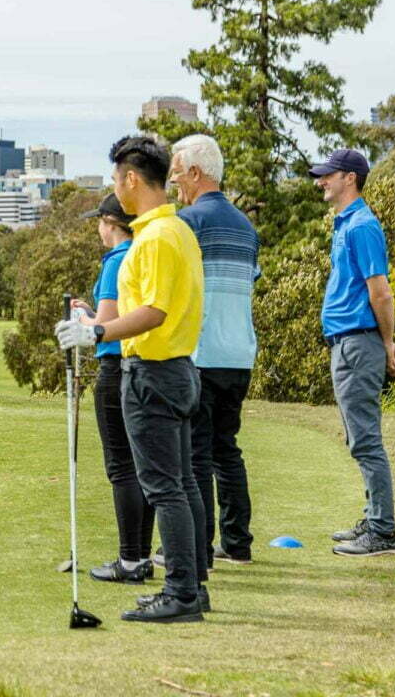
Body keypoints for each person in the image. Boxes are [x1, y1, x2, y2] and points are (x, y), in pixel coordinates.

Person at [55, 135, 208, 623]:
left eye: (116, 178)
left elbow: (154, 311)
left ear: (132, 179)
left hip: (155, 372)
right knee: (179, 484)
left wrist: (94, 331)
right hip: (176, 369)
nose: (114, 188)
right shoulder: (171, 230)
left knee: (165, 487)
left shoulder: (160, 238)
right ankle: (191, 588)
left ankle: (182, 594)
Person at [310, 149, 395, 556]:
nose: (321, 181)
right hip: (350, 341)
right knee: (358, 436)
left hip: (358, 341)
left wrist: (387, 344)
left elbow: (380, 291)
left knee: (365, 440)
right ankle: (374, 517)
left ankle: (383, 531)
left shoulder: (362, 226)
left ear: (349, 178)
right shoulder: (346, 224)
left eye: (327, 175)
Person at [170, 134, 260, 567]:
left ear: (195, 172)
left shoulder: (188, 222)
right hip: (239, 354)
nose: (173, 182)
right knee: (227, 448)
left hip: (202, 354)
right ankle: (238, 544)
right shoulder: (246, 227)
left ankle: (198, 548)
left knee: (197, 456)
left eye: (176, 172)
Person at [70, 193, 157, 584]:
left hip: (114, 366)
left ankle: (130, 560)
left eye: (101, 222)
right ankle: (141, 556)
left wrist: (83, 319)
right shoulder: (143, 253)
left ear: (111, 223)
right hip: (143, 365)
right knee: (142, 466)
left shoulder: (115, 261)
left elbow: (105, 322)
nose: (98, 229)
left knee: (121, 466)